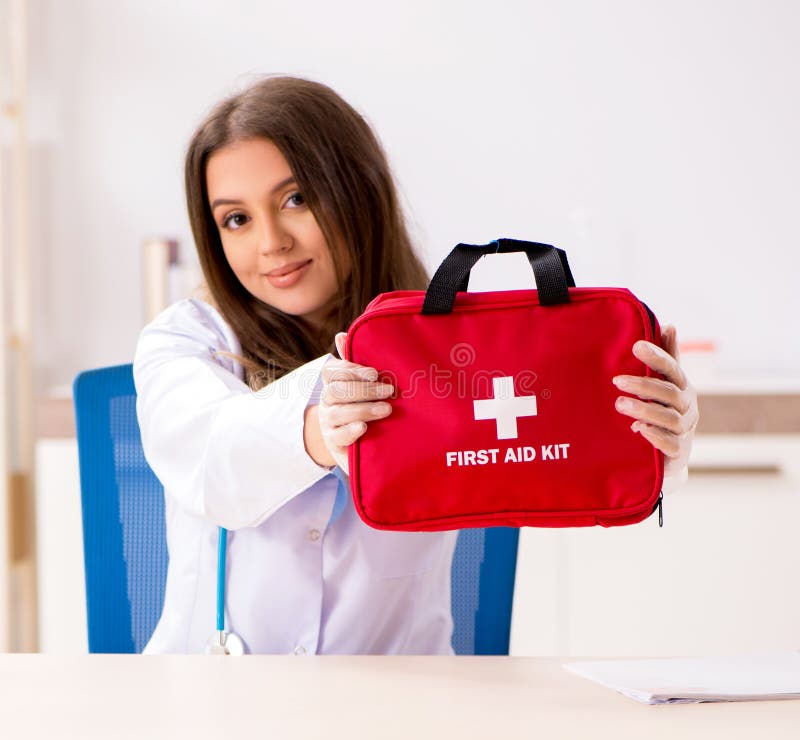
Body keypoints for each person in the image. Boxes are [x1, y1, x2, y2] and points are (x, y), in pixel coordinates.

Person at [133, 75, 699, 655]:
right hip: (217, 689)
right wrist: (320, 427)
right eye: (236, 219)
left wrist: (656, 437)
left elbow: (550, 457)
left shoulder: (447, 340)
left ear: (357, 191)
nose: (271, 241)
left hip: (404, 689)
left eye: (296, 199)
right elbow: (209, 458)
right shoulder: (185, 340)